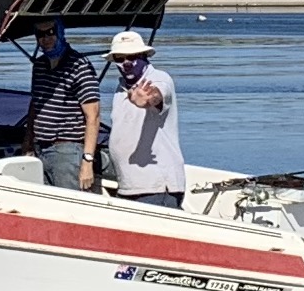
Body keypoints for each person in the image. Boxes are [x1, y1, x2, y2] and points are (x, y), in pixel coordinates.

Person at [103, 28, 185, 205]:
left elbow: (156, 95)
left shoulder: (159, 78)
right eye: (119, 58)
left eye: (132, 57)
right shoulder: (121, 88)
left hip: (155, 187)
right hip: (128, 185)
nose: (126, 63)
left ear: (144, 55)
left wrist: (147, 100)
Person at [22, 20, 101, 189]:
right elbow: (36, 104)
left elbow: (93, 115)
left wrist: (87, 161)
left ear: (60, 33)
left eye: (50, 32)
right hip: (40, 147)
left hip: (67, 150)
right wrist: (28, 142)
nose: (45, 38)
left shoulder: (79, 65)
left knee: (70, 205)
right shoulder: (39, 65)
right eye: (40, 34)